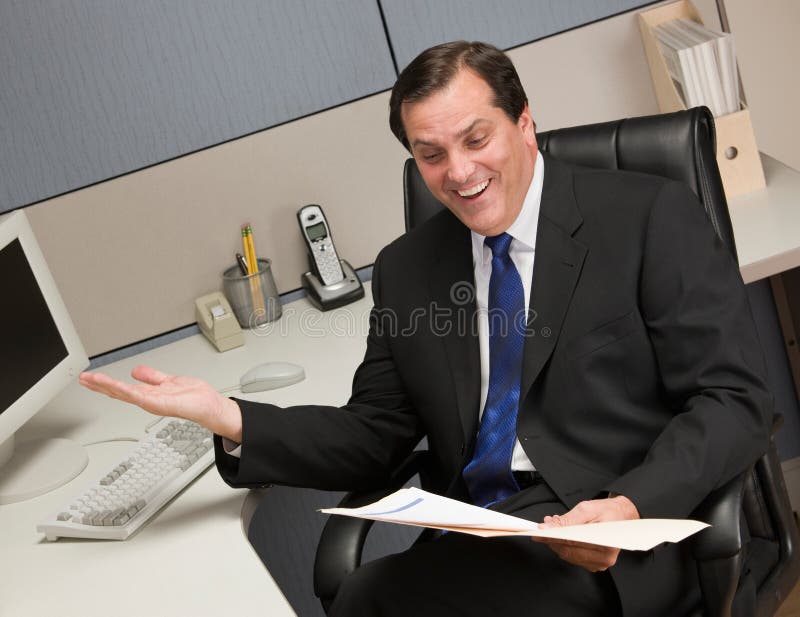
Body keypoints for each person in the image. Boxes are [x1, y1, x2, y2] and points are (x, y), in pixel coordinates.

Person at [80, 41, 772, 616]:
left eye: (477, 139)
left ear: (524, 122)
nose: (459, 172)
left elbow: (734, 398)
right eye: (431, 153)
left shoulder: (648, 216)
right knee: (364, 597)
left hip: (606, 537)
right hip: (479, 540)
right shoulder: (410, 267)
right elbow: (374, 433)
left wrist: (629, 504)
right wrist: (229, 416)